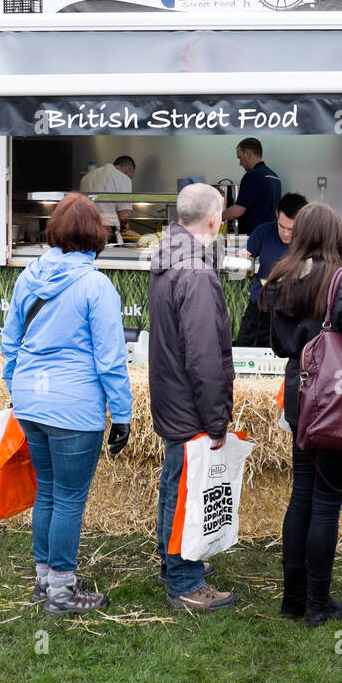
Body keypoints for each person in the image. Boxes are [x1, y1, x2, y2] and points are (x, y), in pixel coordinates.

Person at [1, 193, 132, 616]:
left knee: (48, 491)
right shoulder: (96, 285)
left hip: (31, 401)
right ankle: (61, 589)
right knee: (71, 498)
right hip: (74, 406)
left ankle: (45, 578)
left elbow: (9, 341)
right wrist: (123, 414)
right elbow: (110, 359)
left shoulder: (29, 275)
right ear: (97, 233)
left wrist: (15, 388)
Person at [261, 202, 342, 626]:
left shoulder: (280, 277)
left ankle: (293, 601)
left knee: (300, 499)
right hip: (333, 404)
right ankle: (317, 604)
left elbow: (279, 345)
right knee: (326, 503)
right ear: (334, 236)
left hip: (299, 402)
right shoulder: (338, 280)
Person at [148, 182, 237, 612]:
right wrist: (216, 420)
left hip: (171, 396)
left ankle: (173, 561)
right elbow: (204, 356)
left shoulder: (168, 256)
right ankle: (185, 579)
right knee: (188, 490)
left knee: (174, 483)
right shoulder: (197, 272)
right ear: (215, 220)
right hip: (189, 402)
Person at [234, 192, 307, 347]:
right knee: (244, 352)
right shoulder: (263, 232)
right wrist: (241, 260)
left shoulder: (309, 240)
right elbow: (240, 271)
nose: (286, 233)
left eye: (291, 229)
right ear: (276, 214)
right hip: (259, 308)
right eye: (282, 226)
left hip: (291, 313)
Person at [222, 137, 281, 236]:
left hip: (254, 236)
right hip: (271, 235)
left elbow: (237, 211)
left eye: (240, 158)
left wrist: (215, 217)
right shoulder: (275, 177)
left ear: (248, 153)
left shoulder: (252, 175)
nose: (240, 163)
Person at [80, 155, 136, 242]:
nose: (130, 178)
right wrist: (124, 223)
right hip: (108, 231)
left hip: (86, 229)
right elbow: (125, 214)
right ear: (129, 171)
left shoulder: (87, 177)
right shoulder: (124, 179)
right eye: (131, 176)